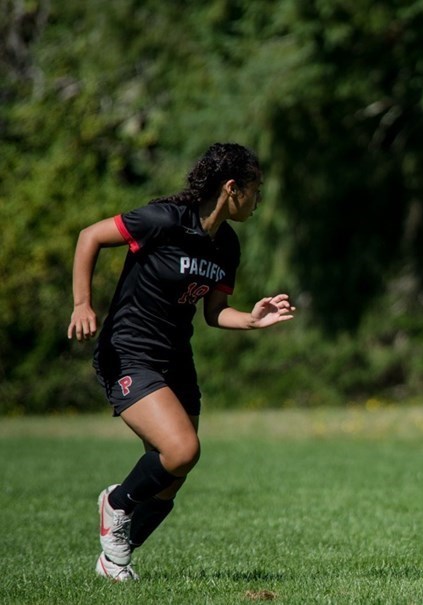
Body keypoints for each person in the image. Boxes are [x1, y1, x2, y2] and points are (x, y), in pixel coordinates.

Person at [67, 142, 296, 581]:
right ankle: (115, 504)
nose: (258, 199)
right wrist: (82, 304)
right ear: (232, 188)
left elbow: (214, 313)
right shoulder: (164, 220)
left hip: (176, 358)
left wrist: (252, 319)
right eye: (256, 189)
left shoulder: (226, 245)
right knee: (181, 449)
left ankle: (115, 559)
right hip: (129, 351)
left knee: (174, 474)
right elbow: (89, 236)